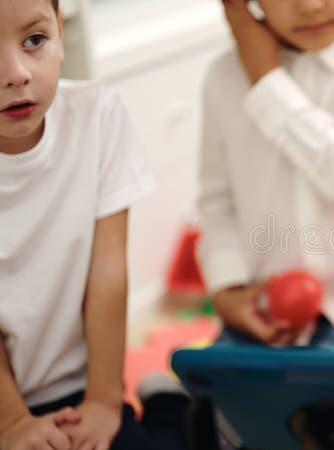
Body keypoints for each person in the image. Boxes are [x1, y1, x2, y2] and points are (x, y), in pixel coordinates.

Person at [0, 1, 187, 449]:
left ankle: (168, 406)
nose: (16, 74)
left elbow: (106, 274)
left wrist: (103, 401)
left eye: (34, 40)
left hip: (78, 387)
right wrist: (11, 425)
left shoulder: (97, 114)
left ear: (60, 29)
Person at [197, 0, 334, 347]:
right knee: (211, 381)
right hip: (264, 315)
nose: (310, 6)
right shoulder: (223, 75)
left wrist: (265, 78)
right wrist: (228, 291)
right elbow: (216, 201)